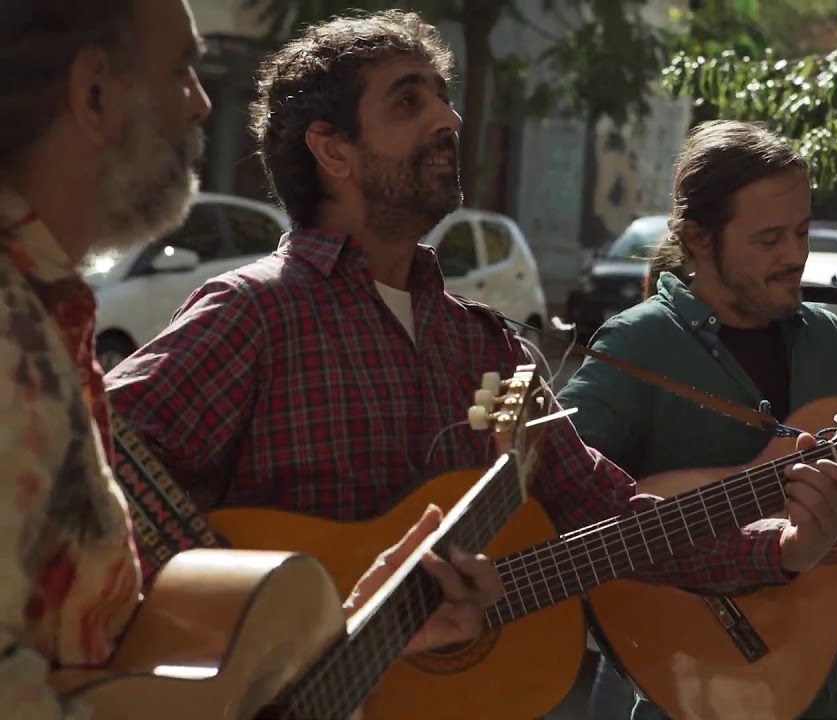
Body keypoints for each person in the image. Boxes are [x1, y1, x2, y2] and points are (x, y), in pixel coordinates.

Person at [103, 9, 837, 653]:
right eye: (409, 103)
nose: (449, 119)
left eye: (443, 97)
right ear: (333, 150)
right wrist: (270, 632)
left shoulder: (487, 347)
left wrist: (783, 546)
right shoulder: (254, 315)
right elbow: (92, 477)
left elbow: (610, 514)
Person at [0, 3, 500, 717]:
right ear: (94, 93)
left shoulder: (43, 320)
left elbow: (90, 647)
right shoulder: (11, 335)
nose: (203, 105)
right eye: (180, 71)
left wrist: (348, 632)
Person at [557, 119, 837, 720]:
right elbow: (561, 503)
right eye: (769, 239)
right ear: (699, 239)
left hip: (836, 694)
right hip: (700, 692)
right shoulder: (640, 344)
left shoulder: (829, 343)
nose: (795, 256)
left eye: (801, 231)